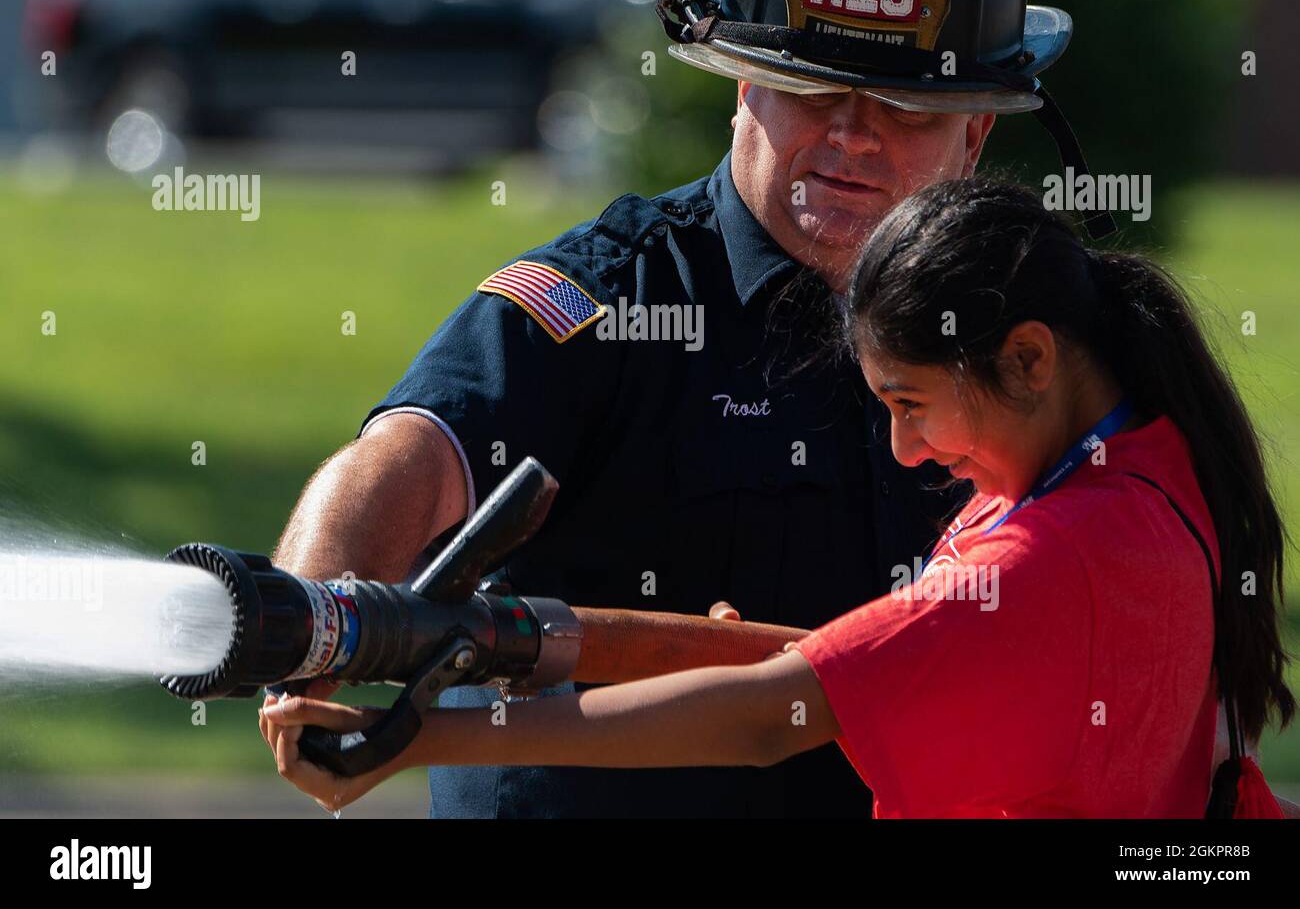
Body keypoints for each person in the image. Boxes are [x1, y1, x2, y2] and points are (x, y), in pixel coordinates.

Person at [266, 0, 1104, 817]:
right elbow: (403, 462)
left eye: (903, 107)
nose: (849, 133)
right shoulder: (610, 298)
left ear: (976, 133)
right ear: (741, 79)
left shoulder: (1021, 345)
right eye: (809, 86)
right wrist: (308, 634)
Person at [263, 177, 1296, 818]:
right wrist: (502, 640)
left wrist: (429, 733)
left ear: (1029, 359)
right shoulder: (1136, 466)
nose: (902, 448)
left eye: (910, 402)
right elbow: (831, 658)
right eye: (812, 90)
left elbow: (777, 711)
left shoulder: (1048, 554)